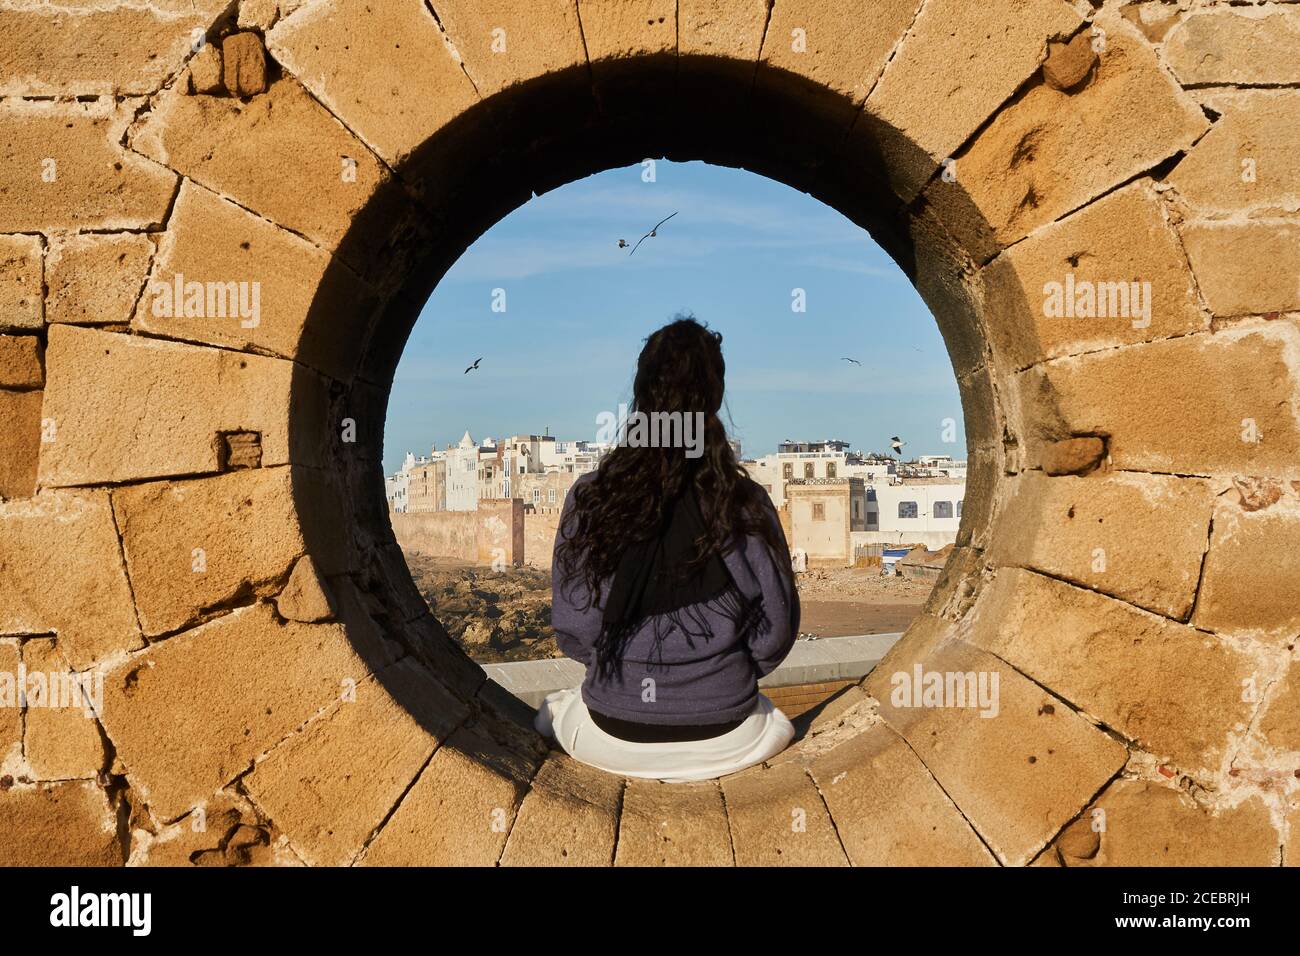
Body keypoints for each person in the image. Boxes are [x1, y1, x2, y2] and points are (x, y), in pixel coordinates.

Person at [536, 315, 799, 782]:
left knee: (552, 712)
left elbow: (575, 628)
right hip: (729, 734)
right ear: (714, 399)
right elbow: (775, 631)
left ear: (641, 395)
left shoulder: (592, 497)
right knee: (778, 724)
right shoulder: (742, 504)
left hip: (612, 734)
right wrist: (719, 676)